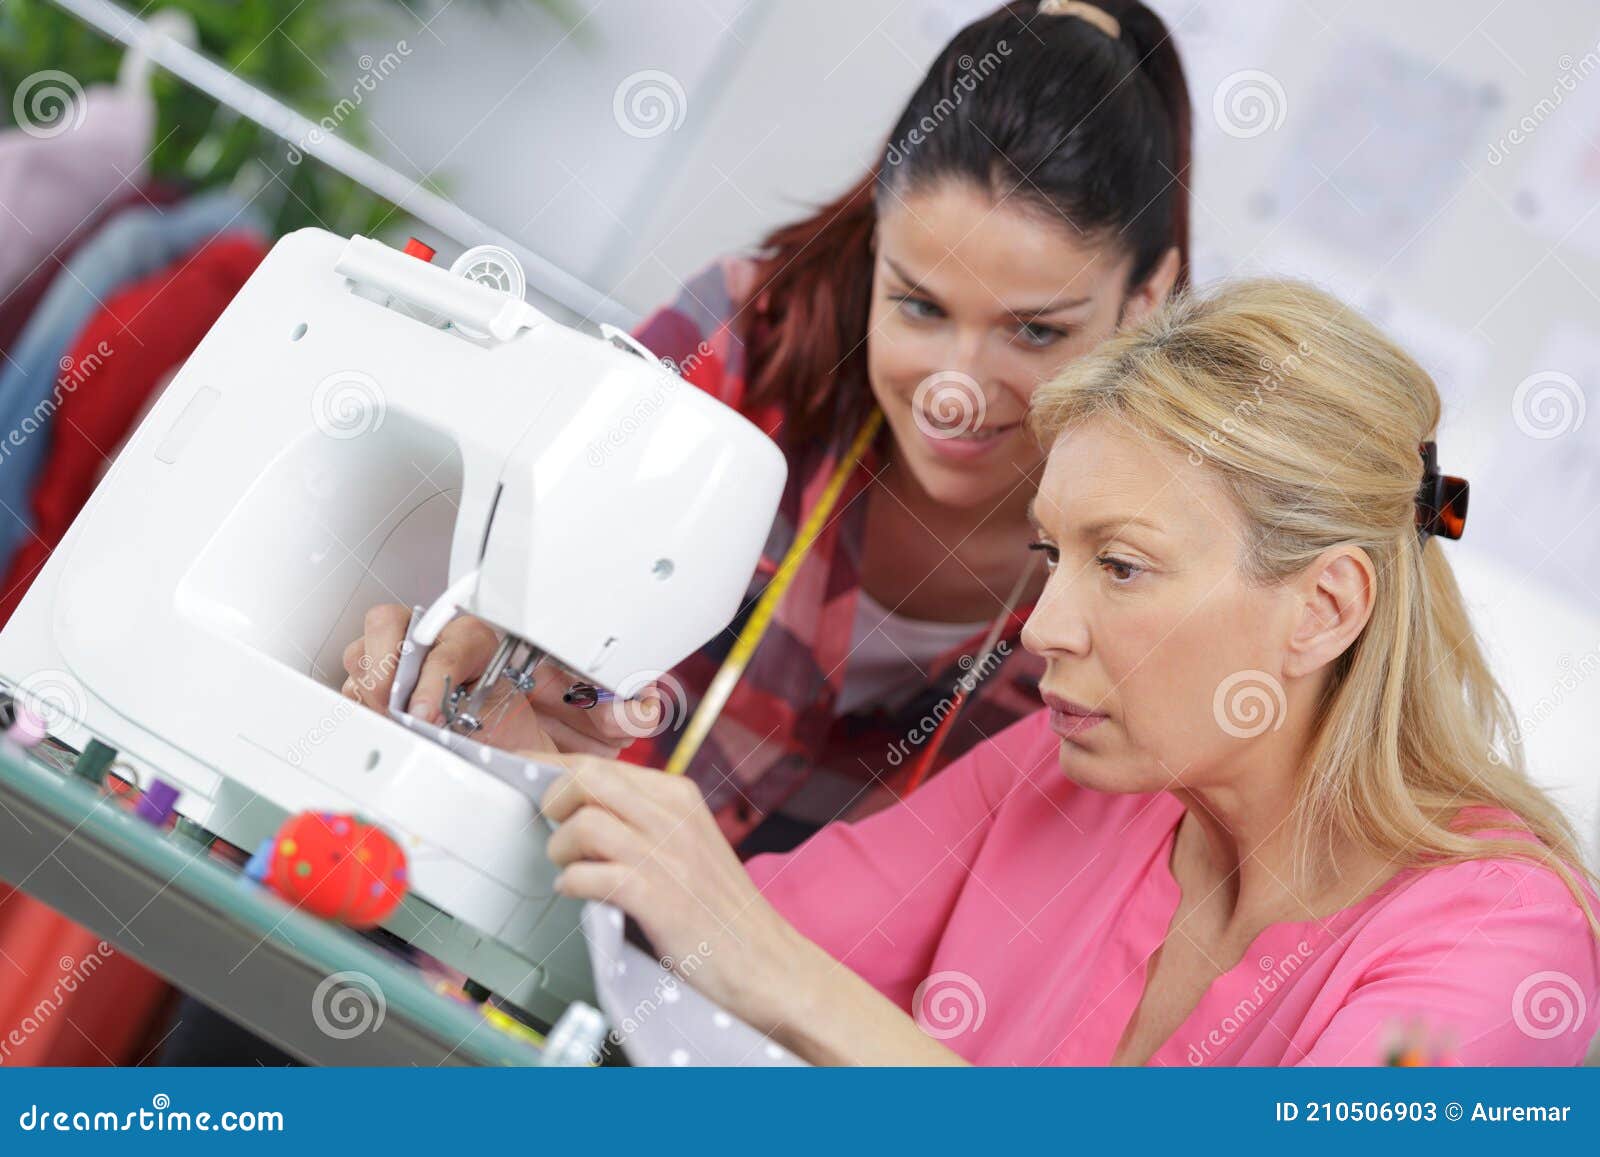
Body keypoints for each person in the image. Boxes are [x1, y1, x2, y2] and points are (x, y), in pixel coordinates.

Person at [535, 279, 1600, 1066]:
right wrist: (532, 745)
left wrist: (782, 978)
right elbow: (696, 932)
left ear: (1322, 609)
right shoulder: (1069, 769)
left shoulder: (1501, 943)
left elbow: (765, 957)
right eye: (1052, 553)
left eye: (1122, 565)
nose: (1044, 626)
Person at [342, 0, 1191, 855]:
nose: (953, 393)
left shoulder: (1162, 570)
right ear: (873, 248)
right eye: (917, 305)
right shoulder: (744, 344)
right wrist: (474, 621)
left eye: (1035, 331)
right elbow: (524, 541)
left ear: (1144, 302)